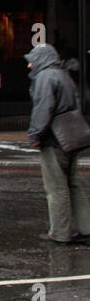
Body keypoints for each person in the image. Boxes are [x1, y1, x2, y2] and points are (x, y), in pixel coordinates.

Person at [26, 43, 90, 244]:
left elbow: (44, 108)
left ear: (42, 59)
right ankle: (86, 228)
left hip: (55, 138)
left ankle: (60, 233)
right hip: (73, 136)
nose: (29, 65)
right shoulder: (63, 74)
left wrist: (35, 135)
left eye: (32, 61)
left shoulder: (45, 76)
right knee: (73, 184)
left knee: (56, 187)